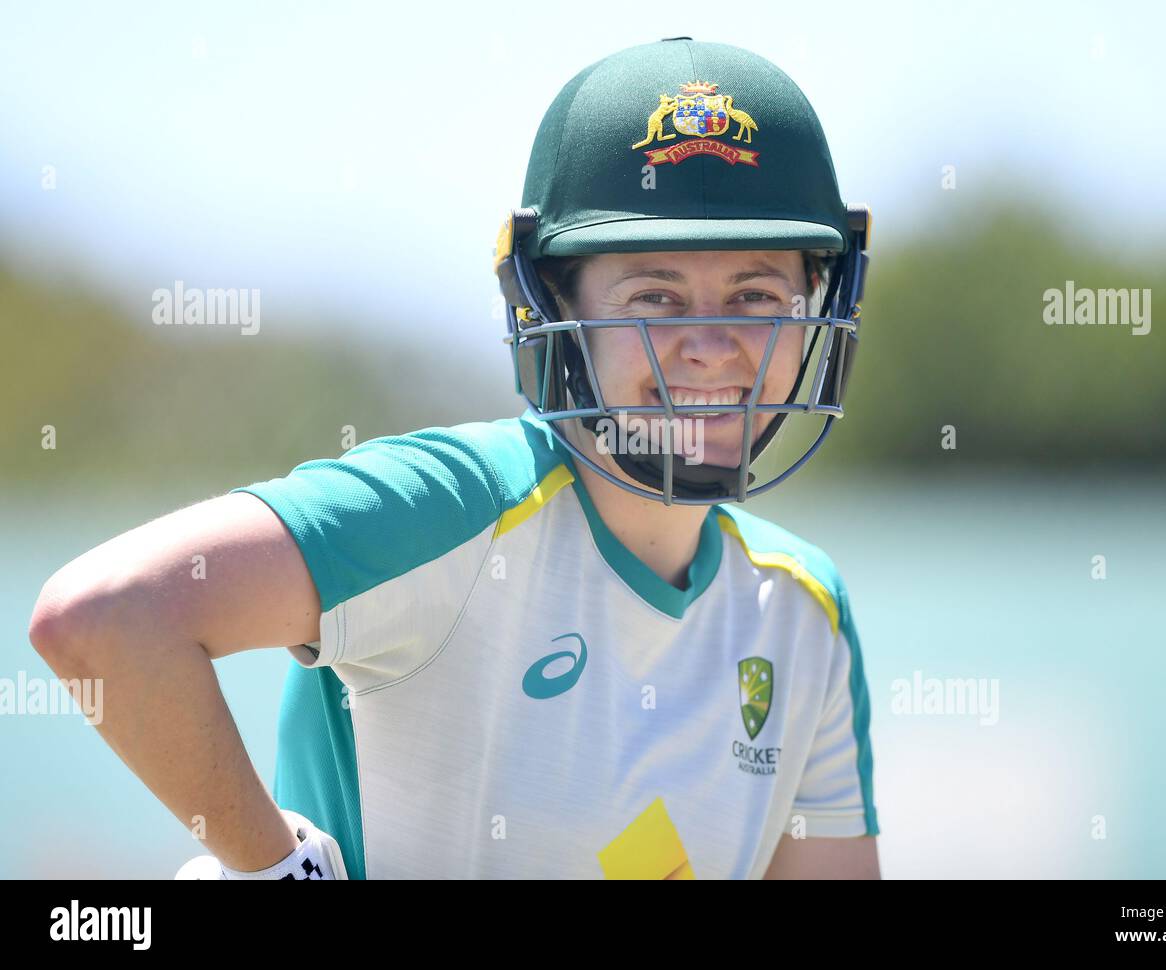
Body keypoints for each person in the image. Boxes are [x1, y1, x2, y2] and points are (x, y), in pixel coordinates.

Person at [28, 37, 879, 879]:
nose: (711, 345)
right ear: (551, 305)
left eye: (758, 295)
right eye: (654, 297)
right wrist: (274, 870)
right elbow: (105, 616)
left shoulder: (803, 608)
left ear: (818, 309)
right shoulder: (453, 505)